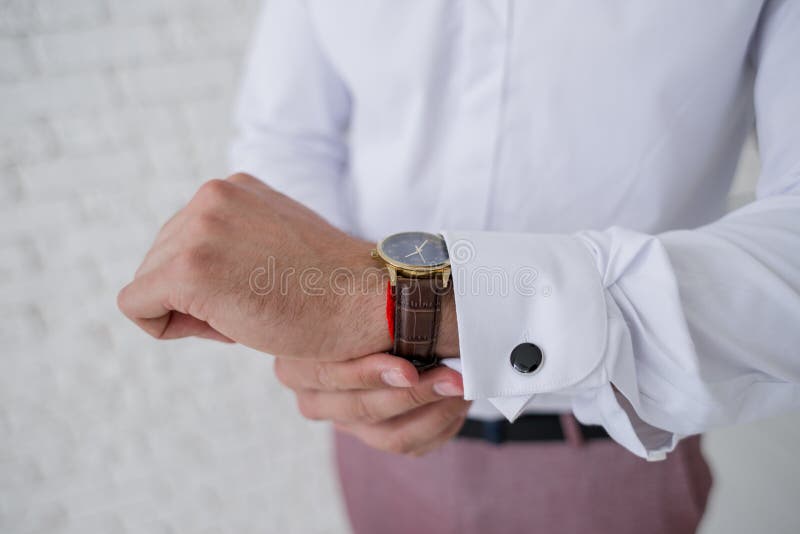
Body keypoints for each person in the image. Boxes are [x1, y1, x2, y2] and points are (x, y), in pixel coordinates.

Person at [118, 1, 800, 532]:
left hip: (611, 450)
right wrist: (336, 345)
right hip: (372, 442)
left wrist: (388, 303)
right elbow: (288, 138)